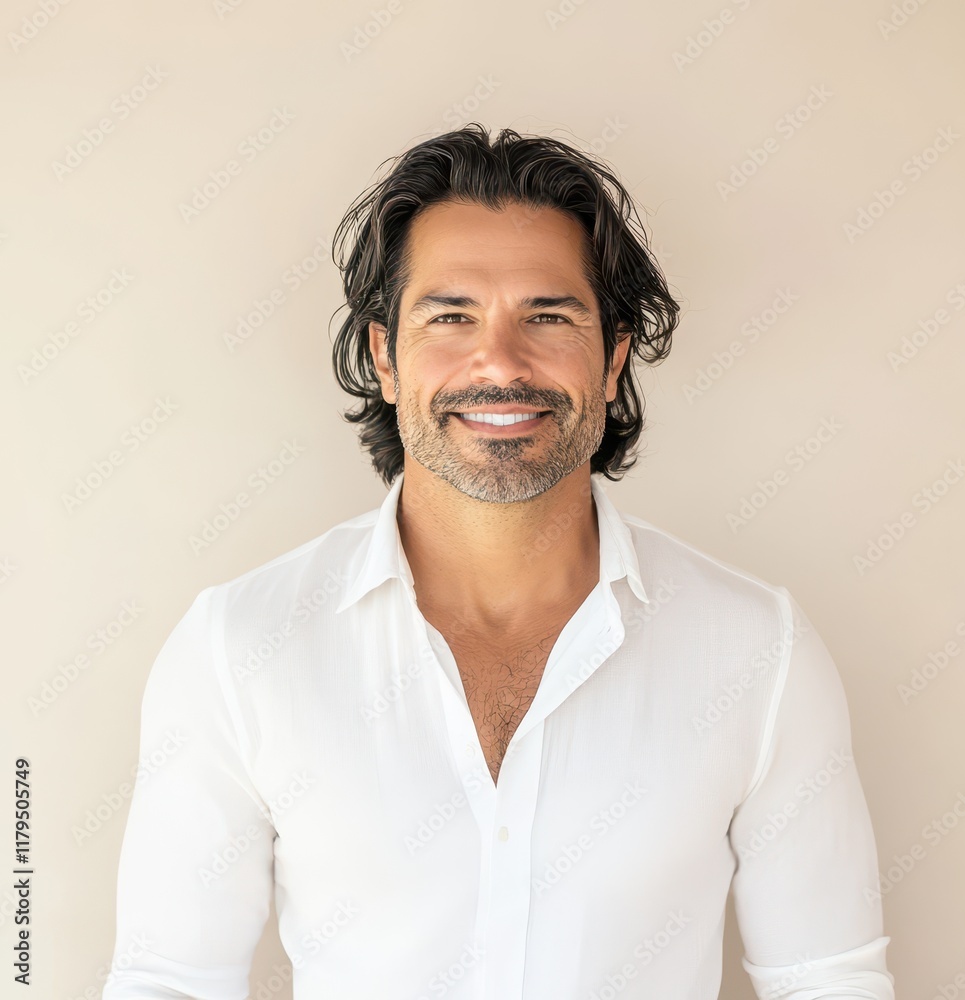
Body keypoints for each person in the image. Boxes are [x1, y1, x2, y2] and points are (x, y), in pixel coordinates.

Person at [103, 123, 895, 999]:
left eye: (548, 316)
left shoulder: (759, 650)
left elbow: (828, 980)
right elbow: (167, 981)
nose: (499, 362)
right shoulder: (237, 647)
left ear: (613, 357)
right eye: (450, 316)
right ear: (384, 358)